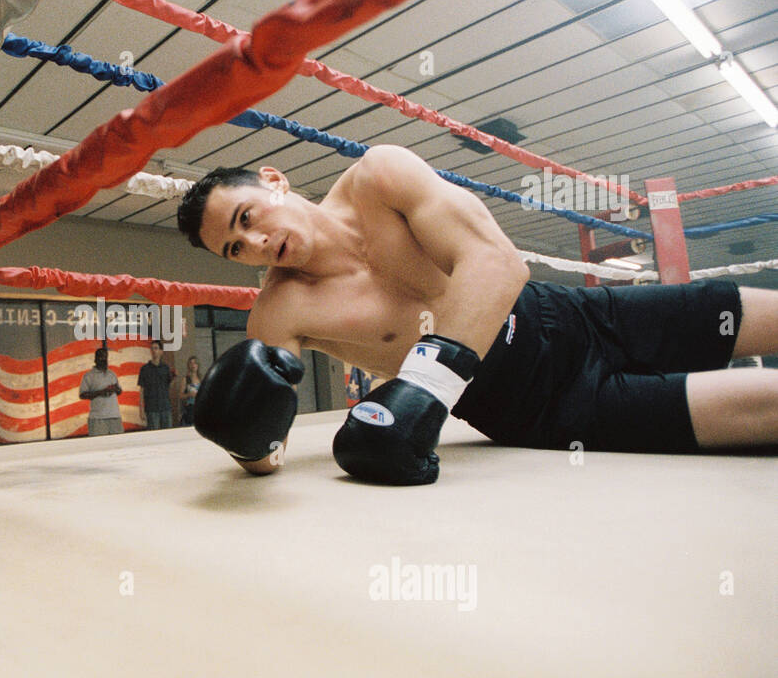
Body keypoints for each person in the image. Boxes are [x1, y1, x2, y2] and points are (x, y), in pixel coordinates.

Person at [176, 147, 778, 484]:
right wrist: (248, 444)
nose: (253, 245)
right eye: (235, 248)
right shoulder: (281, 312)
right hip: (543, 407)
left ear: (276, 183)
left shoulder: (380, 178)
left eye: (247, 218)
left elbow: (498, 263)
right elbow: (267, 453)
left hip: (575, 314)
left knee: (752, 312)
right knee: (765, 404)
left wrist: (424, 388)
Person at [79, 347, 124, 436]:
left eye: (105, 357)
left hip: (115, 416)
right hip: (98, 418)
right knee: (99, 445)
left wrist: (115, 389)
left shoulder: (112, 374)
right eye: (101, 357)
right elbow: (82, 395)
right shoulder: (89, 376)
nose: (103, 359)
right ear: (95, 359)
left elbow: (119, 391)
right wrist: (101, 392)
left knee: (118, 445)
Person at [137, 340, 176, 429]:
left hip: (165, 406)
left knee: (168, 432)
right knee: (154, 433)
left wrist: (173, 379)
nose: (154, 351)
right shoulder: (145, 369)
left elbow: (169, 387)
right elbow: (142, 389)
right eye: (152, 349)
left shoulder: (166, 368)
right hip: (151, 407)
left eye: (156, 348)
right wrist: (141, 409)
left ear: (161, 351)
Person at [179, 356, 203, 426]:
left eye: (195, 363)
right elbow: (180, 395)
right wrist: (189, 394)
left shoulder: (201, 379)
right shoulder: (186, 379)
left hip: (199, 408)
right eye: (191, 363)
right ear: (188, 366)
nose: (193, 365)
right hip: (190, 409)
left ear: (198, 365)